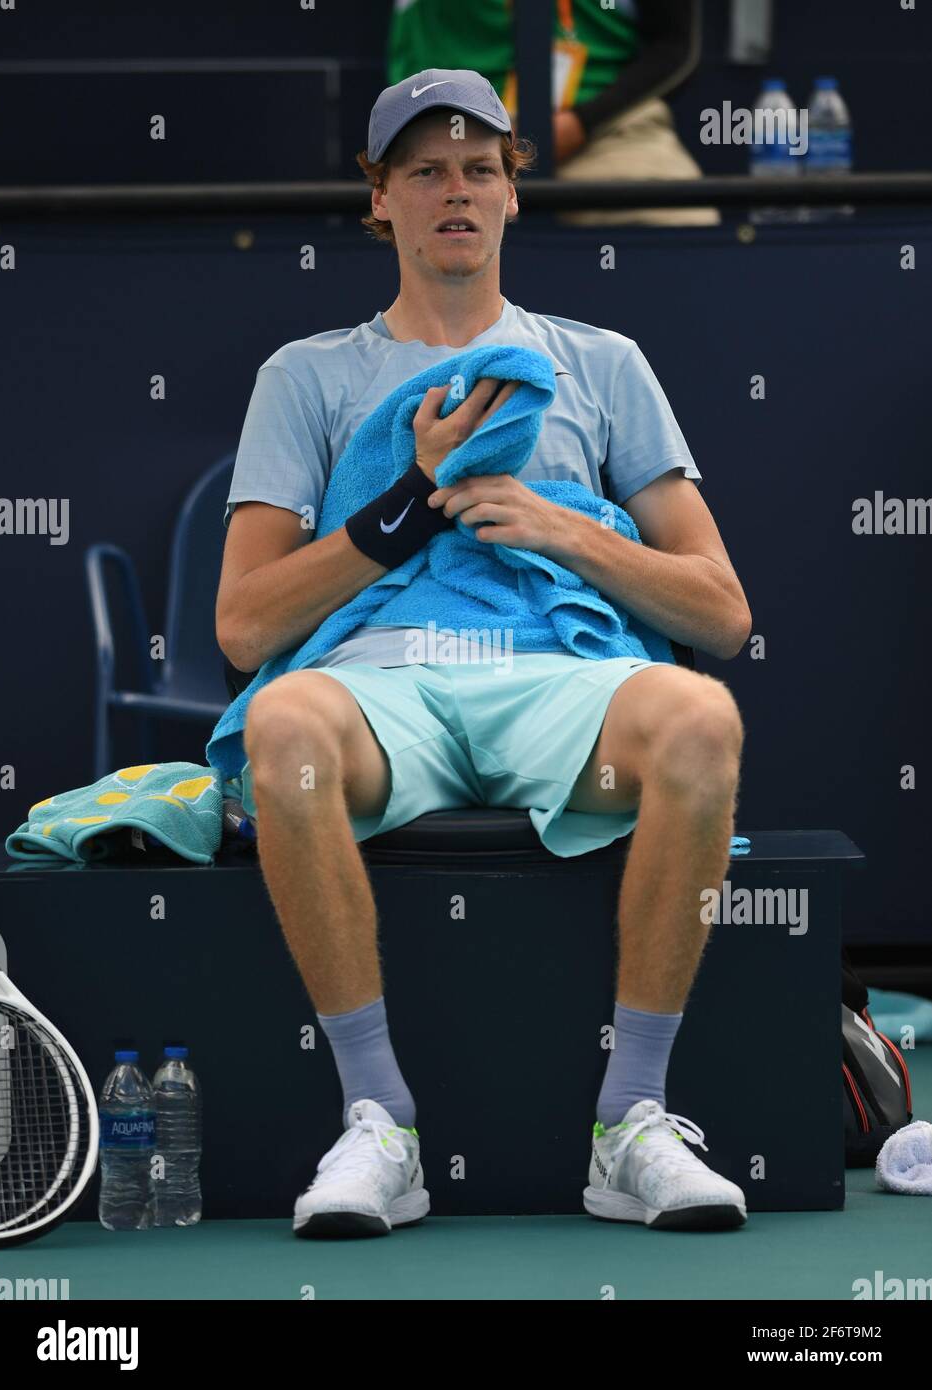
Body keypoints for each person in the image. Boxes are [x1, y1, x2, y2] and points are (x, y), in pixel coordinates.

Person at [216, 69, 752, 1238]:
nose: (453, 190)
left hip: (556, 683)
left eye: (477, 167)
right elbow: (248, 629)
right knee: (282, 727)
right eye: (423, 170)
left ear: (514, 192)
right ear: (380, 200)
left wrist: (556, 521)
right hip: (381, 690)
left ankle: (634, 1122)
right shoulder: (305, 375)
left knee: (703, 722)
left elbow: (722, 613)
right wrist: (409, 497)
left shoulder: (603, 363)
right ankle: (378, 1123)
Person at [386, 0, 720, 226]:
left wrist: (581, 123)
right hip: (454, 132)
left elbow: (675, 47)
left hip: (608, 127)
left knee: (684, 224)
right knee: (433, 228)